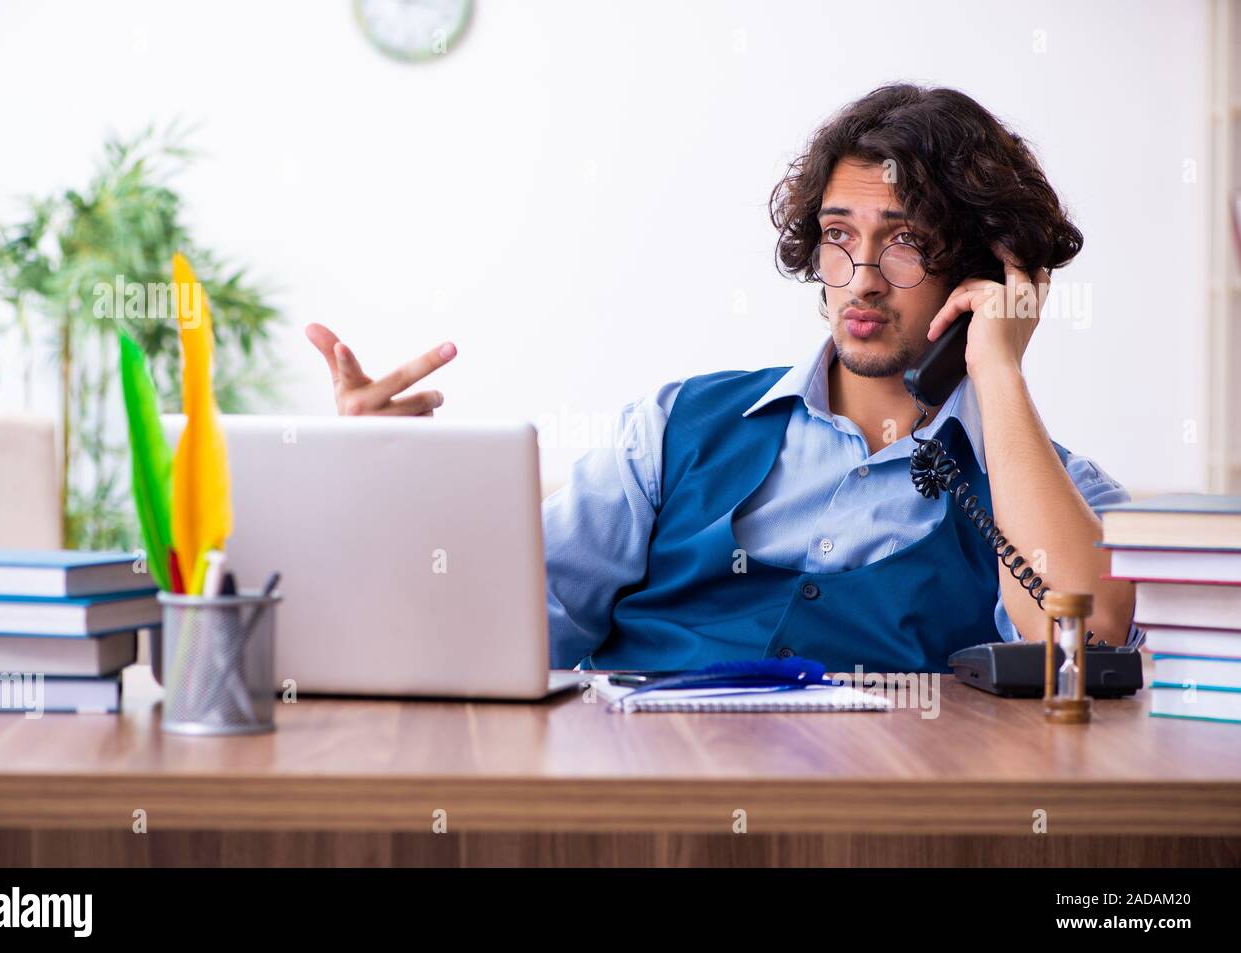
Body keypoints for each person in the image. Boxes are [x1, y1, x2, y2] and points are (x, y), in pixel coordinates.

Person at [305, 83, 1138, 674]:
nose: (863, 278)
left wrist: (996, 362)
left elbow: (1085, 651)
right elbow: (498, 628)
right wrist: (382, 490)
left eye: (907, 240)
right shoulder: (673, 427)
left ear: (984, 267)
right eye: (838, 236)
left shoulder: (1060, 494)